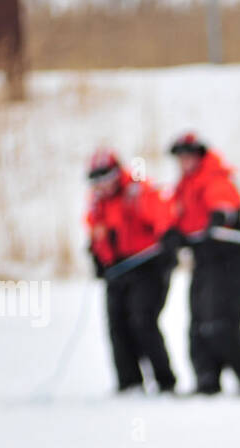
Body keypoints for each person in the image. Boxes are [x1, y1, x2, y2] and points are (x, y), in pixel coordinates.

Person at [165, 131, 240, 396]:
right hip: (206, 261)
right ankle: (207, 381)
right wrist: (171, 234)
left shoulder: (214, 176)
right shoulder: (182, 187)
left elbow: (225, 201)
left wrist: (220, 216)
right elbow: (174, 216)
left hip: (235, 258)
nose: (185, 161)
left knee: (219, 323)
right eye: (180, 157)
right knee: (197, 325)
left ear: (200, 155)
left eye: (190, 155)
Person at [85, 148, 178, 394]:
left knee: (142, 320)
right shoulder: (97, 204)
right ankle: (129, 382)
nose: (101, 184)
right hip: (118, 270)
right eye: (96, 179)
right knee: (117, 325)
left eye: (105, 177)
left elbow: (162, 214)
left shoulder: (138, 191)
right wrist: (98, 256)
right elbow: (97, 234)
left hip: (147, 266)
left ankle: (164, 381)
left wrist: (168, 237)